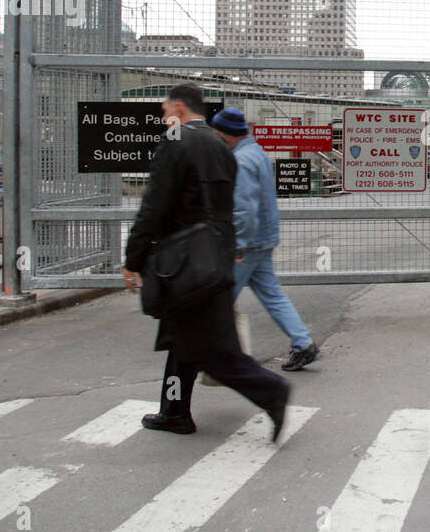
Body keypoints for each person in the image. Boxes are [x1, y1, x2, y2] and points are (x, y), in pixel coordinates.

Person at [123, 84, 290, 441]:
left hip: (183, 262)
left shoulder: (175, 139)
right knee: (183, 338)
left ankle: (270, 391)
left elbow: (154, 204)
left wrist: (133, 258)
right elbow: (227, 208)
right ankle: (174, 411)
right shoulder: (221, 146)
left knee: (211, 349)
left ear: (180, 109)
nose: (163, 117)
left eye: (165, 109)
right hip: (214, 257)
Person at [209, 108, 320, 372]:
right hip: (262, 240)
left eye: (216, 132)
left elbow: (243, 210)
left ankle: (218, 358)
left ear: (226, 134)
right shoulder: (256, 153)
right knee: (272, 295)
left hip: (247, 245)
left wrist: (237, 245)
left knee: (218, 300)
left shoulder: (240, 161)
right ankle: (303, 344)